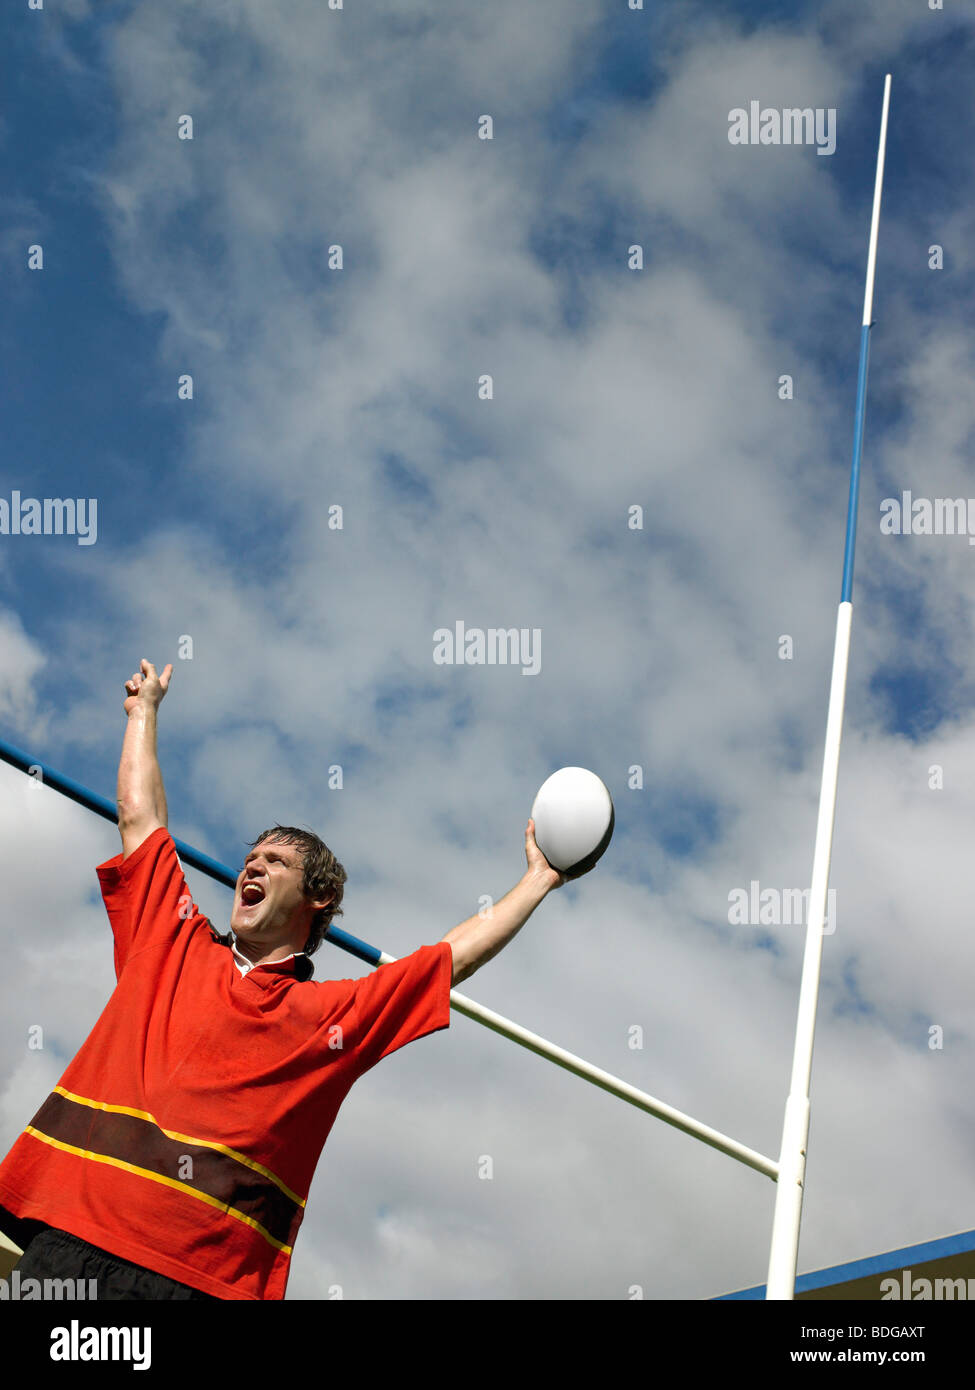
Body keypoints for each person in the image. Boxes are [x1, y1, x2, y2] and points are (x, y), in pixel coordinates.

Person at [0, 659, 579, 1300]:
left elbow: (451, 960)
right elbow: (141, 822)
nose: (253, 864)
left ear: (318, 900)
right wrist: (144, 716)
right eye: (251, 857)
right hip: (69, 1246)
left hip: (197, 1282)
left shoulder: (330, 1018)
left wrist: (540, 879)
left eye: (275, 861)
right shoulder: (167, 940)